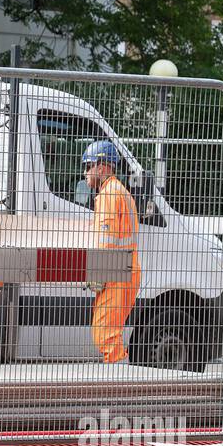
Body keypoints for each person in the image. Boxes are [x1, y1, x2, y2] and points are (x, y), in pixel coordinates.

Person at [82, 140, 141, 363]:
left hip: (116, 270)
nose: (86, 173)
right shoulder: (117, 191)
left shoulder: (109, 195)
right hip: (124, 268)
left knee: (106, 334)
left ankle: (117, 386)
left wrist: (98, 274)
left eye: (89, 167)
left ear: (102, 166)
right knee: (108, 332)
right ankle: (117, 379)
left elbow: (107, 240)